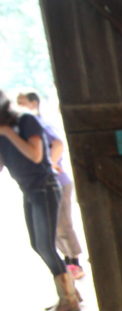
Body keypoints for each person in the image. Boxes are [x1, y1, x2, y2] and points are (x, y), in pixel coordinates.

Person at [0, 89, 79, 311]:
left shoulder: (25, 121)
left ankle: (69, 300)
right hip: (28, 190)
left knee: (46, 245)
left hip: (45, 186)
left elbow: (35, 155)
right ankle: (69, 292)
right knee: (37, 244)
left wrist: (6, 133)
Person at [17, 90, 84, 280]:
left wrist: (52, 166)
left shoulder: (36, 123)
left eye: (21, 102)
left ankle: (75, 263)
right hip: (45, 182)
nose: (18, 106)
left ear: (33, 103)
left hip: (58, 181)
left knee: (64, 225)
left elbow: (58, 144)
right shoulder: (21, 128)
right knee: (53, 230)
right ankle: (68, 263)